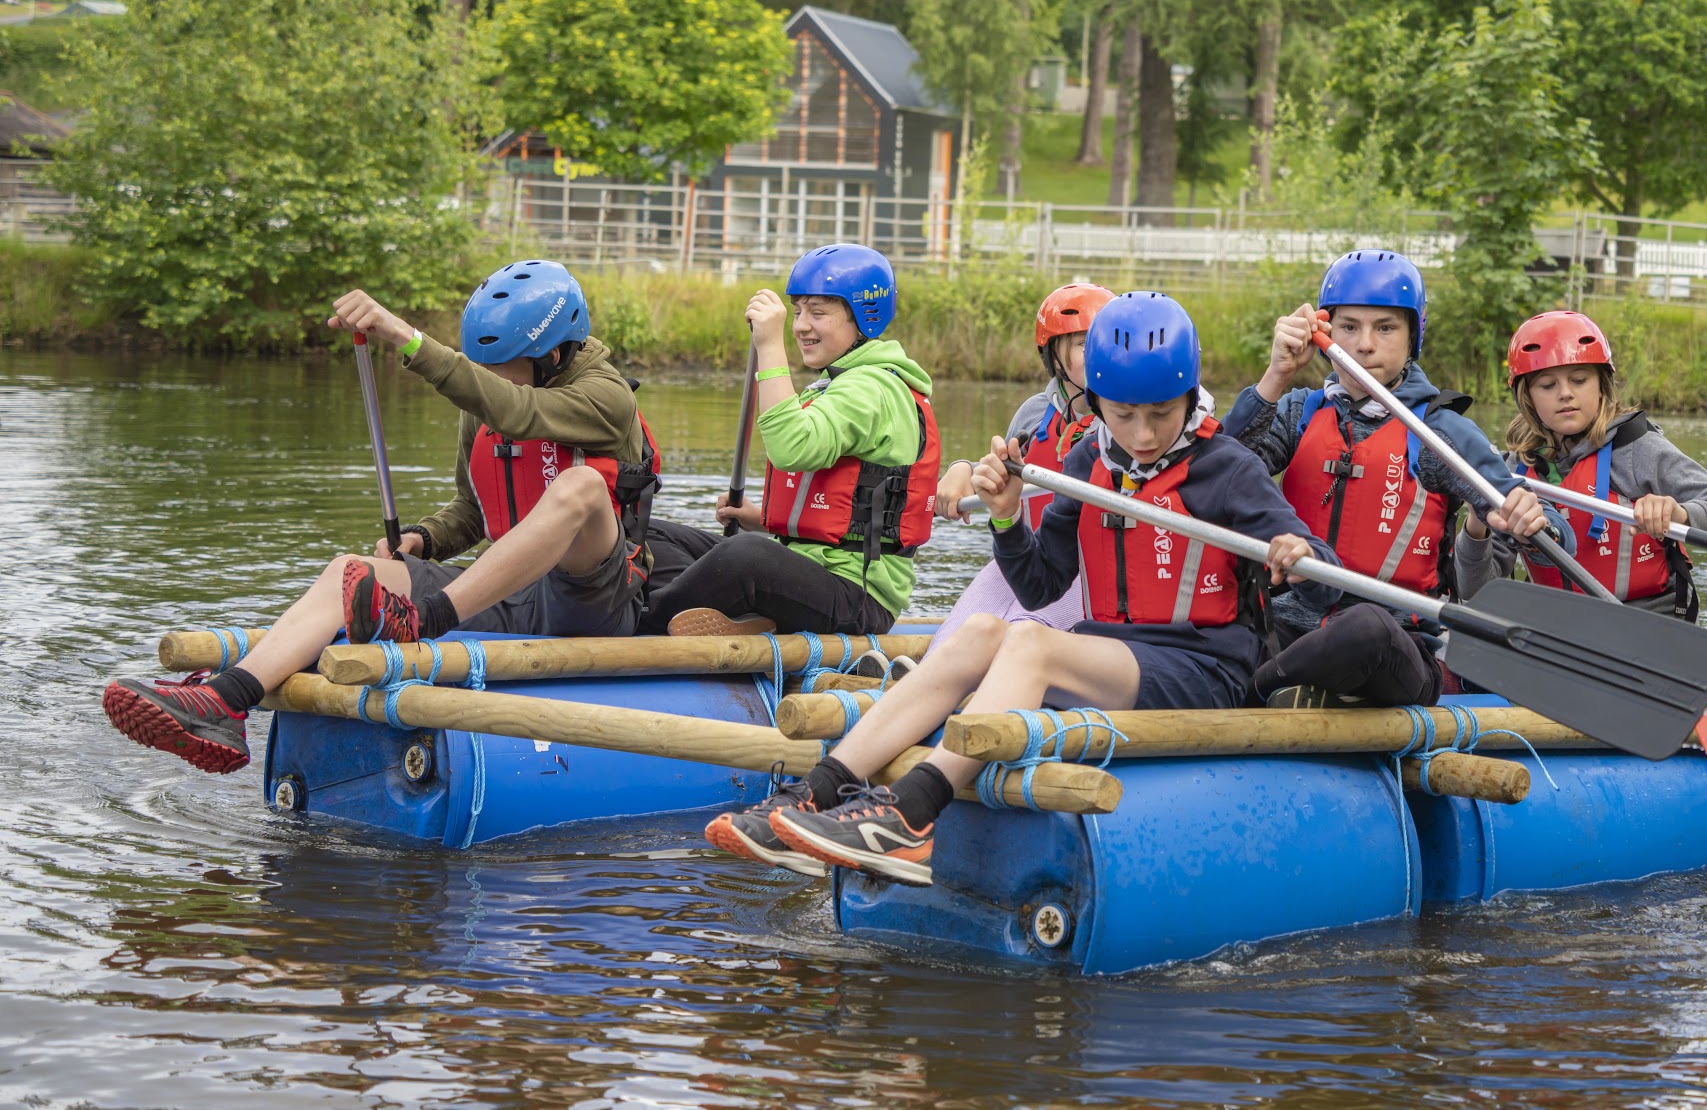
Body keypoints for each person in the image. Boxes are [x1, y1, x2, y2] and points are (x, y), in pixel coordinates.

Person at [701, 290, 1340, 884]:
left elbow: (1322, 581)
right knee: (985, 630)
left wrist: (1300, 554)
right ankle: (815, 791)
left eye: (1161, 415)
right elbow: (1039, 587)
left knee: (1030, 642)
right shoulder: (1089, 461)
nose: (1143, 435)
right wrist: (1007, 517)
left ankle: (911, 815)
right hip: (1114, 654)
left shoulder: (1228, 468)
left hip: (1202, 669)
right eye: (1124, 415)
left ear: (1189, 396)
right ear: (1098, 401)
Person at [101, 261, 660, 773]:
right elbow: (474, 510)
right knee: (352, 573)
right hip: (507, 594)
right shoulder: (489, 403)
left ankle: (422, 620)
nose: (488, 382)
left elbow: (520, 411)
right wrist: (424, 539)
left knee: (581, 486)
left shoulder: (606, 398)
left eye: (501, 370)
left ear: (553, 357)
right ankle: (222, 702)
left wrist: (403, 336)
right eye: (482, 370)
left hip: (594, 599)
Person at [1222, 250, 1561, 707]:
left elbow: (1549, 532)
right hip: (1288, 630)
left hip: (1394, 648)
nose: (1364, 345)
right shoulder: (1298, 412)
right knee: (1221, 626)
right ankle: (1287, 686)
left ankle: (1258, 693)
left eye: (1385, 328)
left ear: (1412, 337)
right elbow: (1215, 475)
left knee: (1366, 626)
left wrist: (1531, 517)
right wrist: (1275, 376)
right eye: (1348, 327)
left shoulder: (1440, 432)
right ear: (1324, 332)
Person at [640, 243, 938, 640]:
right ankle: (715, 614)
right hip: (806, 569)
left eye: (818, 313)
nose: (800, 326)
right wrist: (761, 519)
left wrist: (769, 346)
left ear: (865, 317)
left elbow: (792, 447)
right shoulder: (837, 383)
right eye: (797, 312)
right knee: (646, 531)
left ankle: (643, 623)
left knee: (745, 555)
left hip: (856, 597)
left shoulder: (871, 389)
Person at [1457, 309, 1707, 618]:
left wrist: (1680, 513)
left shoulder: (1639, 451)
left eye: (1579, 380)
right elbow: (1473, 592)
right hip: (1555, 625)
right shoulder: (1512, 472)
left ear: (1602, 386)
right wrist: (1477, 523)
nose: (1566, 394)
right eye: (1547, 385)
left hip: (1648, 621)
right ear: (1527, 397)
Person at [925, 282, 1115, 647]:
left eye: (1106, 342)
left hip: (1084, 571)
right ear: (1054, 358)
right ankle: (920, 672)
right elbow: (1000, 475)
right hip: (1024, 560)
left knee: (1019, 632)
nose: (1099, 354)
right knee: (956, 634)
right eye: (1083, 344)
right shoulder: (1033, 414)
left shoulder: (1125, 422)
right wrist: (964, 469)